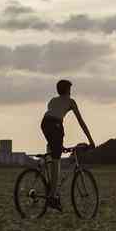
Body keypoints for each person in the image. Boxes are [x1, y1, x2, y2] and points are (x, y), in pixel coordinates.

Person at [41, 79, 95, 210]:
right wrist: (91, 140)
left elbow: (51, 117)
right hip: (56, 125)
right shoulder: (70, 101)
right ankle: (52, 197)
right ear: (67, 90)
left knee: (52, 151)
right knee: (57, 161)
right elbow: (81, 122)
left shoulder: (52, 101)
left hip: (44, 123)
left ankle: (49, 181)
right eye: (70, 90)